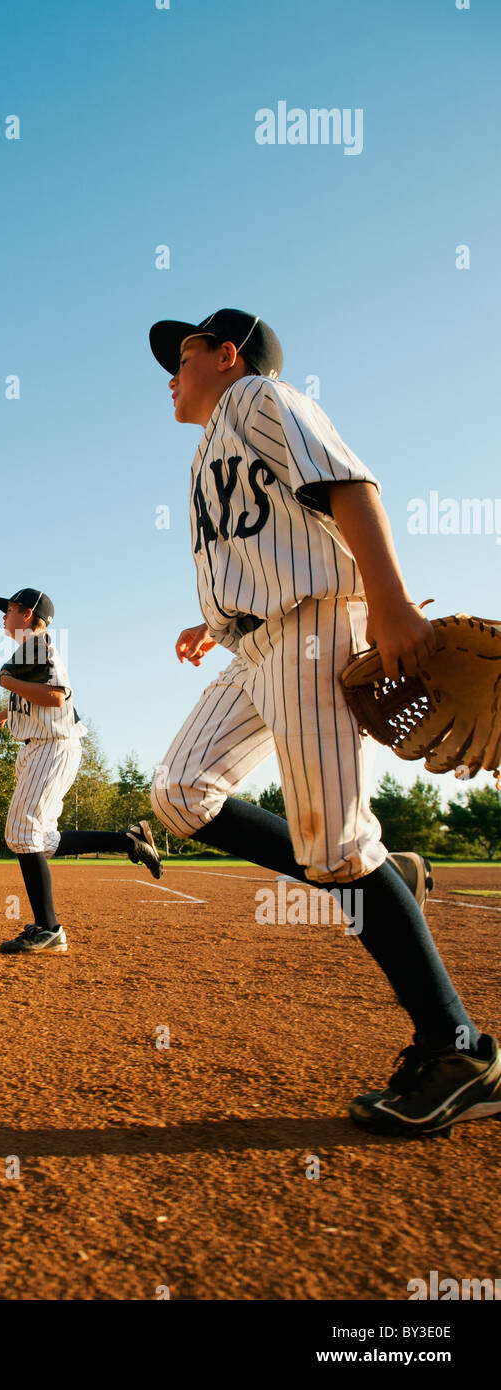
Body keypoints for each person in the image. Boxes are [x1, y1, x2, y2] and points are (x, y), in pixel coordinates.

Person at [146, 307, 500, 1137]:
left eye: (184, 354)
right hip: (257, 641)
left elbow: (350, 487)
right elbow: (267, 541)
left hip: (314, 630)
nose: (172, 371)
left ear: (227, 355)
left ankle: (460, 1051)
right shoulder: (213, 441)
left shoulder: (263, 397)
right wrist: (219, 618)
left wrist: (390, 604)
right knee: (180, 794)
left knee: (336, 848)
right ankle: (379, 878)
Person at [0, 587, 162, 955]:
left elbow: (57, 696)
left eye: (12, 608)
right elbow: (48, 701)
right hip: (46, 748)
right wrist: (11, 712)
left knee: (22, 832)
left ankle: (49, 930)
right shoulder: (30, 648)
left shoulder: (36, 645)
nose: (5, 614)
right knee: (40, 839)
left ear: (30, 615)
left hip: (51, 750)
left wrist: (6, 682)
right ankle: (127, 840)